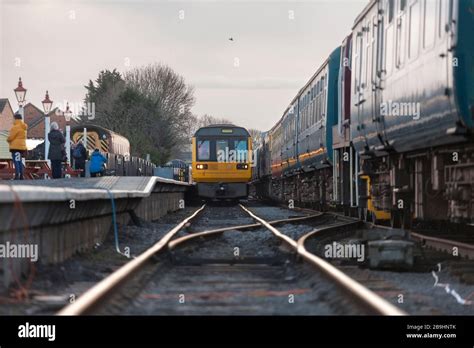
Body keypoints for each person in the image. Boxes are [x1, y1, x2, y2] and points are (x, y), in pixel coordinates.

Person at [7, 113, 28, 180]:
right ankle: (21, 175)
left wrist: (8, 139)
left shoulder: (15, 127)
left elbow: (11, 137)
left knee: (16, 161)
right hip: (21, 147)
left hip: (15, 147)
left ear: (15, 118)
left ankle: (17, 175)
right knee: (19, 161)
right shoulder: (23, 127)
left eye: (13, 118)